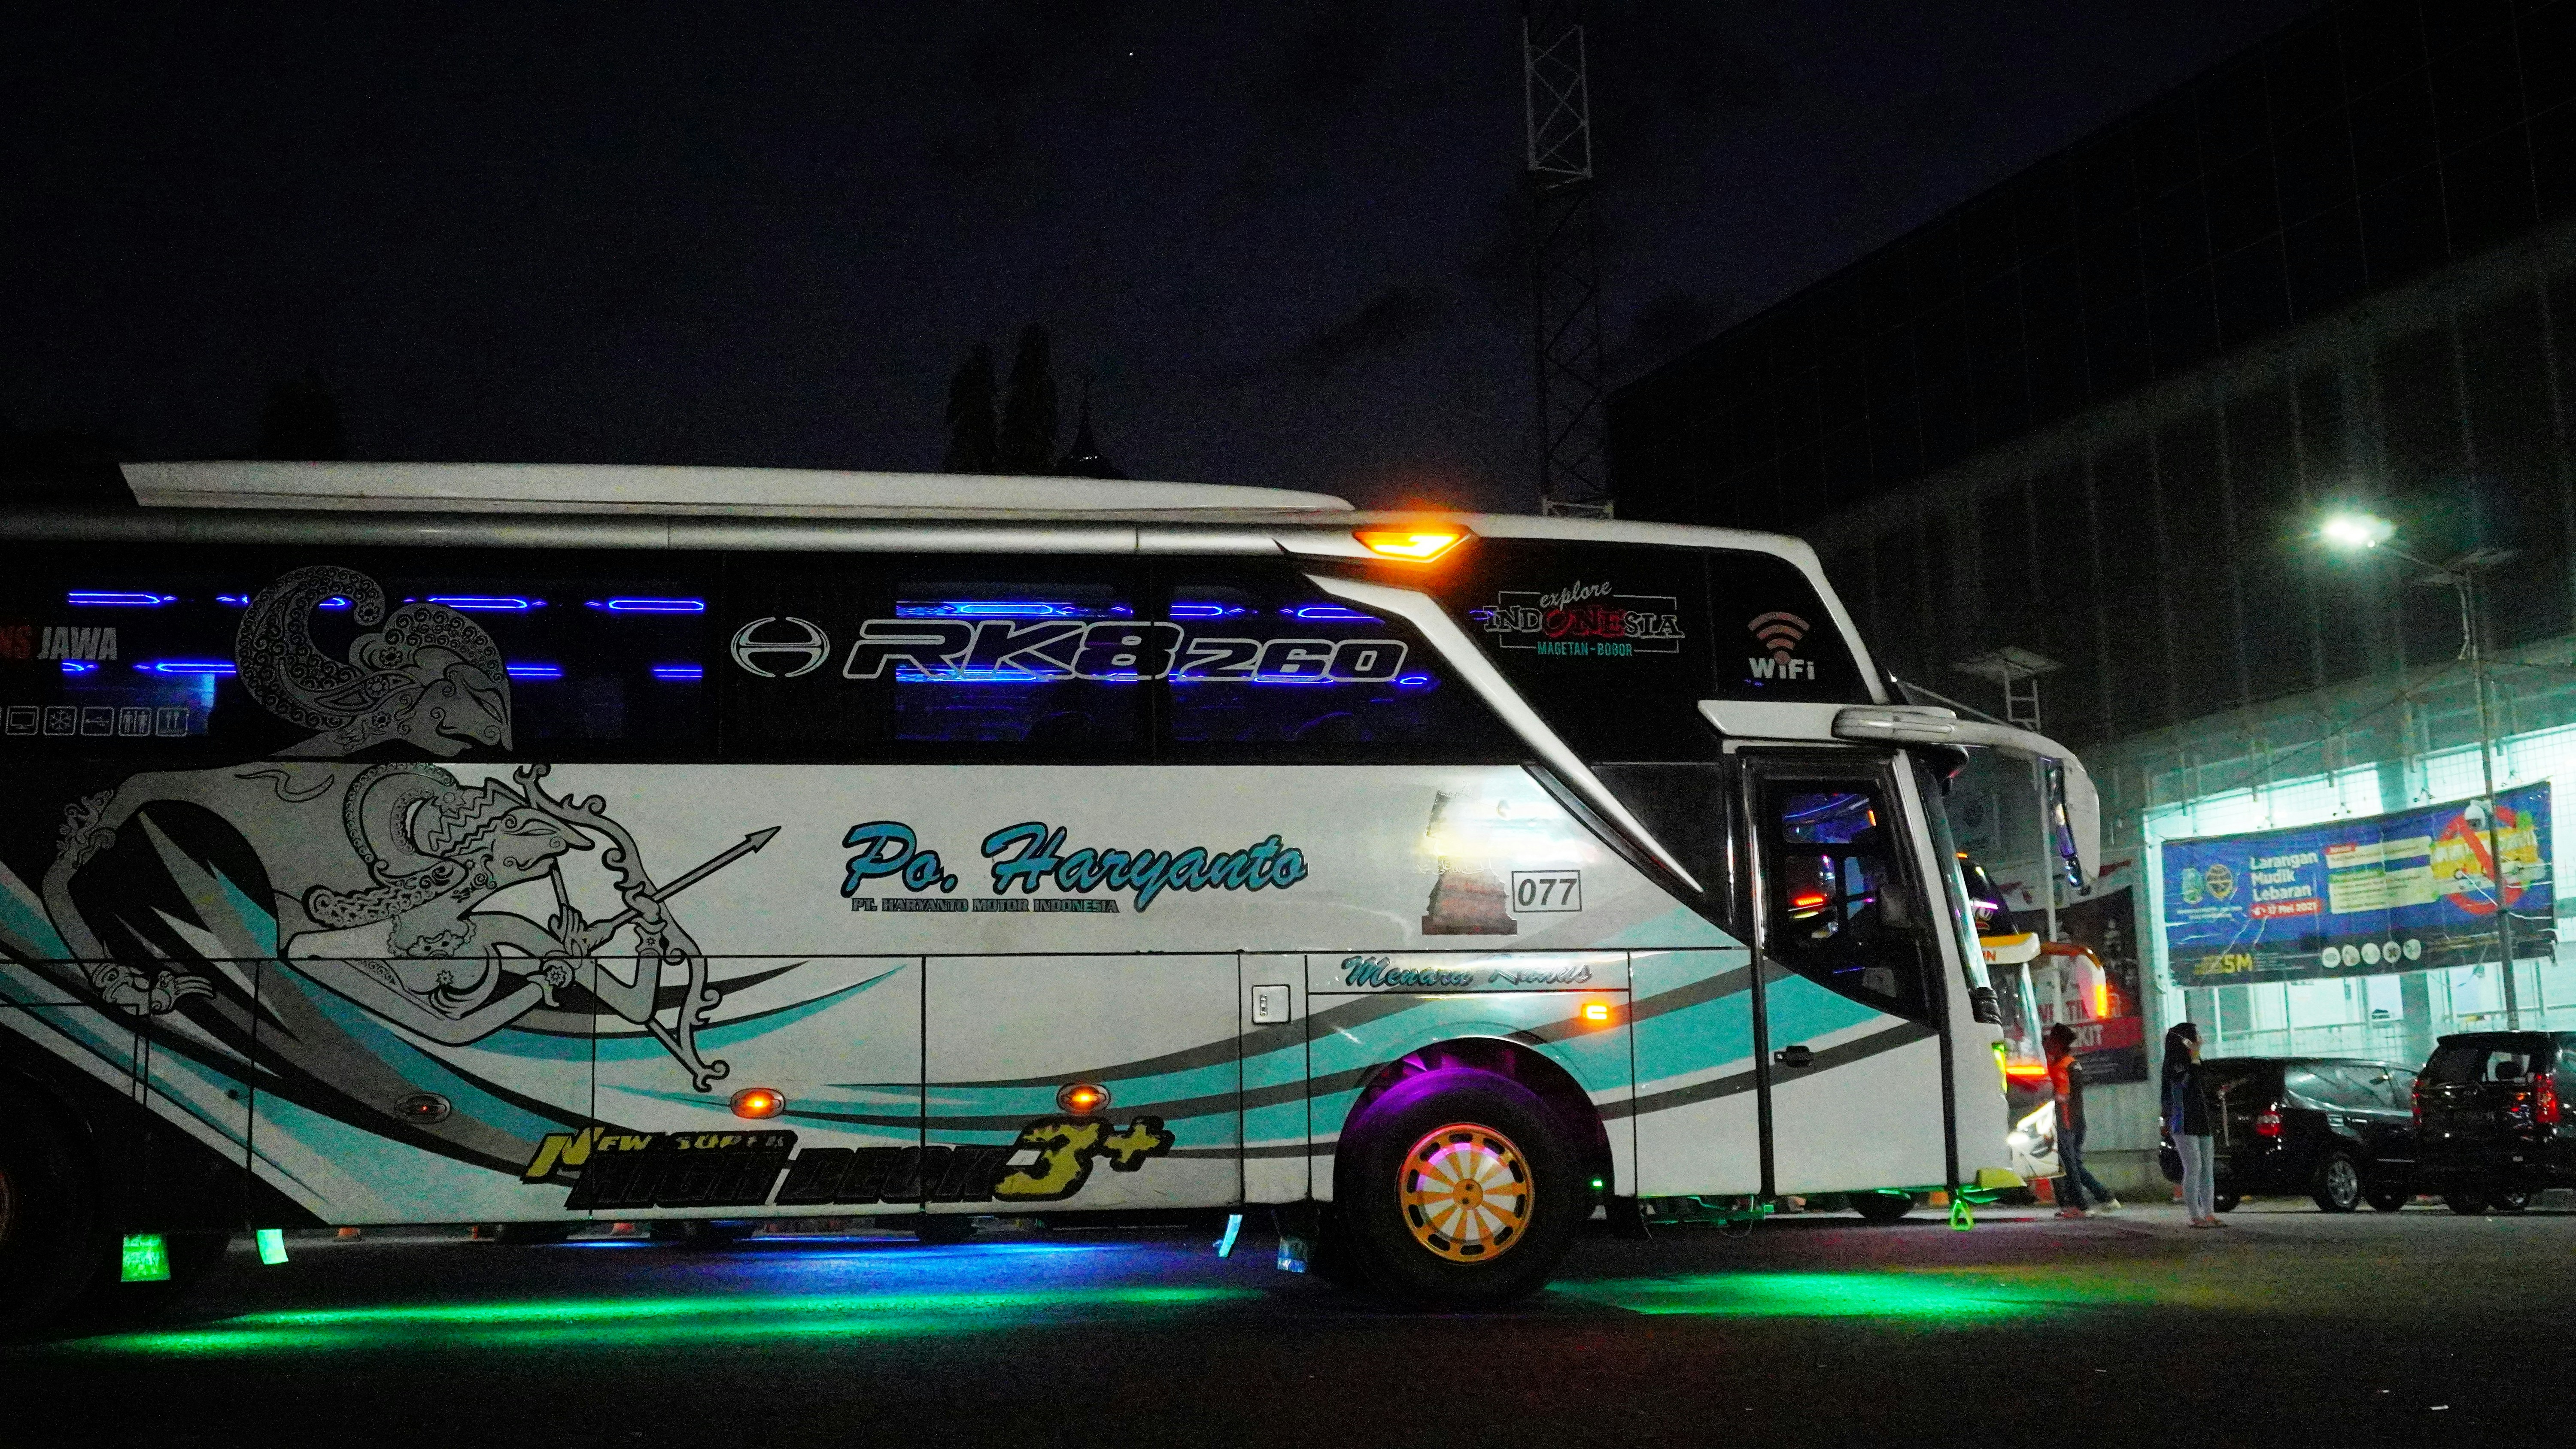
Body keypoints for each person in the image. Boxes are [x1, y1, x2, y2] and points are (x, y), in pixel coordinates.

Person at [2045, 1023, 2120, 1217]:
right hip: (2078, 1121)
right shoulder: (2073, 1064)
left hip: (2067, 1122)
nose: (2048, 1045)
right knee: (2074, 1164)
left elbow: (2064, 1096)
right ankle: (2105, 1197)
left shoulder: (2063, 1066)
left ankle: (2079, 1206)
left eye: (2051, 1041)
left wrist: (2047, 1096)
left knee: (2068, 1166)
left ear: (2059, 1044)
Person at [2163, 1022, 2219, 1228]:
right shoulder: (2174, 1063)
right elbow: (2185, 1084)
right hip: (2184, 1120)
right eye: (2196, 1035)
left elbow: (2204, 1084)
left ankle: (2210, 1214)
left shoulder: (2195, 1060)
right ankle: (2195, 1216)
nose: (2199, 1038)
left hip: (2202, 1119)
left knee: (2207, 1168)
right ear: (2186, 1040)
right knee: (2194, 1167)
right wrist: (2195, 1058)